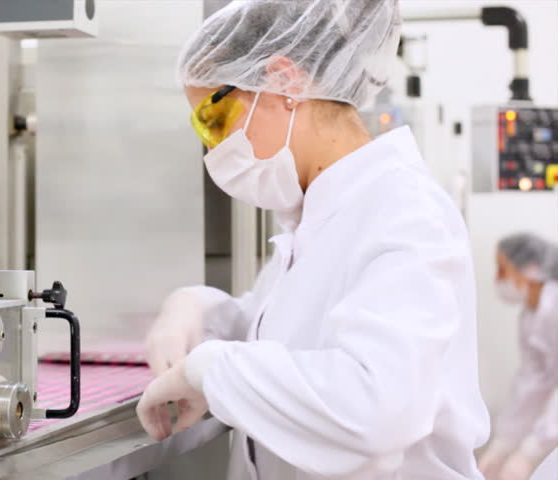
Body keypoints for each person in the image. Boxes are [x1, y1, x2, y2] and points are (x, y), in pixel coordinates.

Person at [135, 0, 491, 479]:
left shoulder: (402, 211)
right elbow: (286, 341)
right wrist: (201, 310)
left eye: (213, 119)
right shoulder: (320, 217)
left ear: (285, 80)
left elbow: (375, 408)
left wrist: (209, 371)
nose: (213, 146)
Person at [478, 233, 558, 480]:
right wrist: (503, 443)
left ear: (532, 268)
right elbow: (531, 383)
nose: (498, 279)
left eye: (502, 269)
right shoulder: (530, 316)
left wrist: (531, 450)